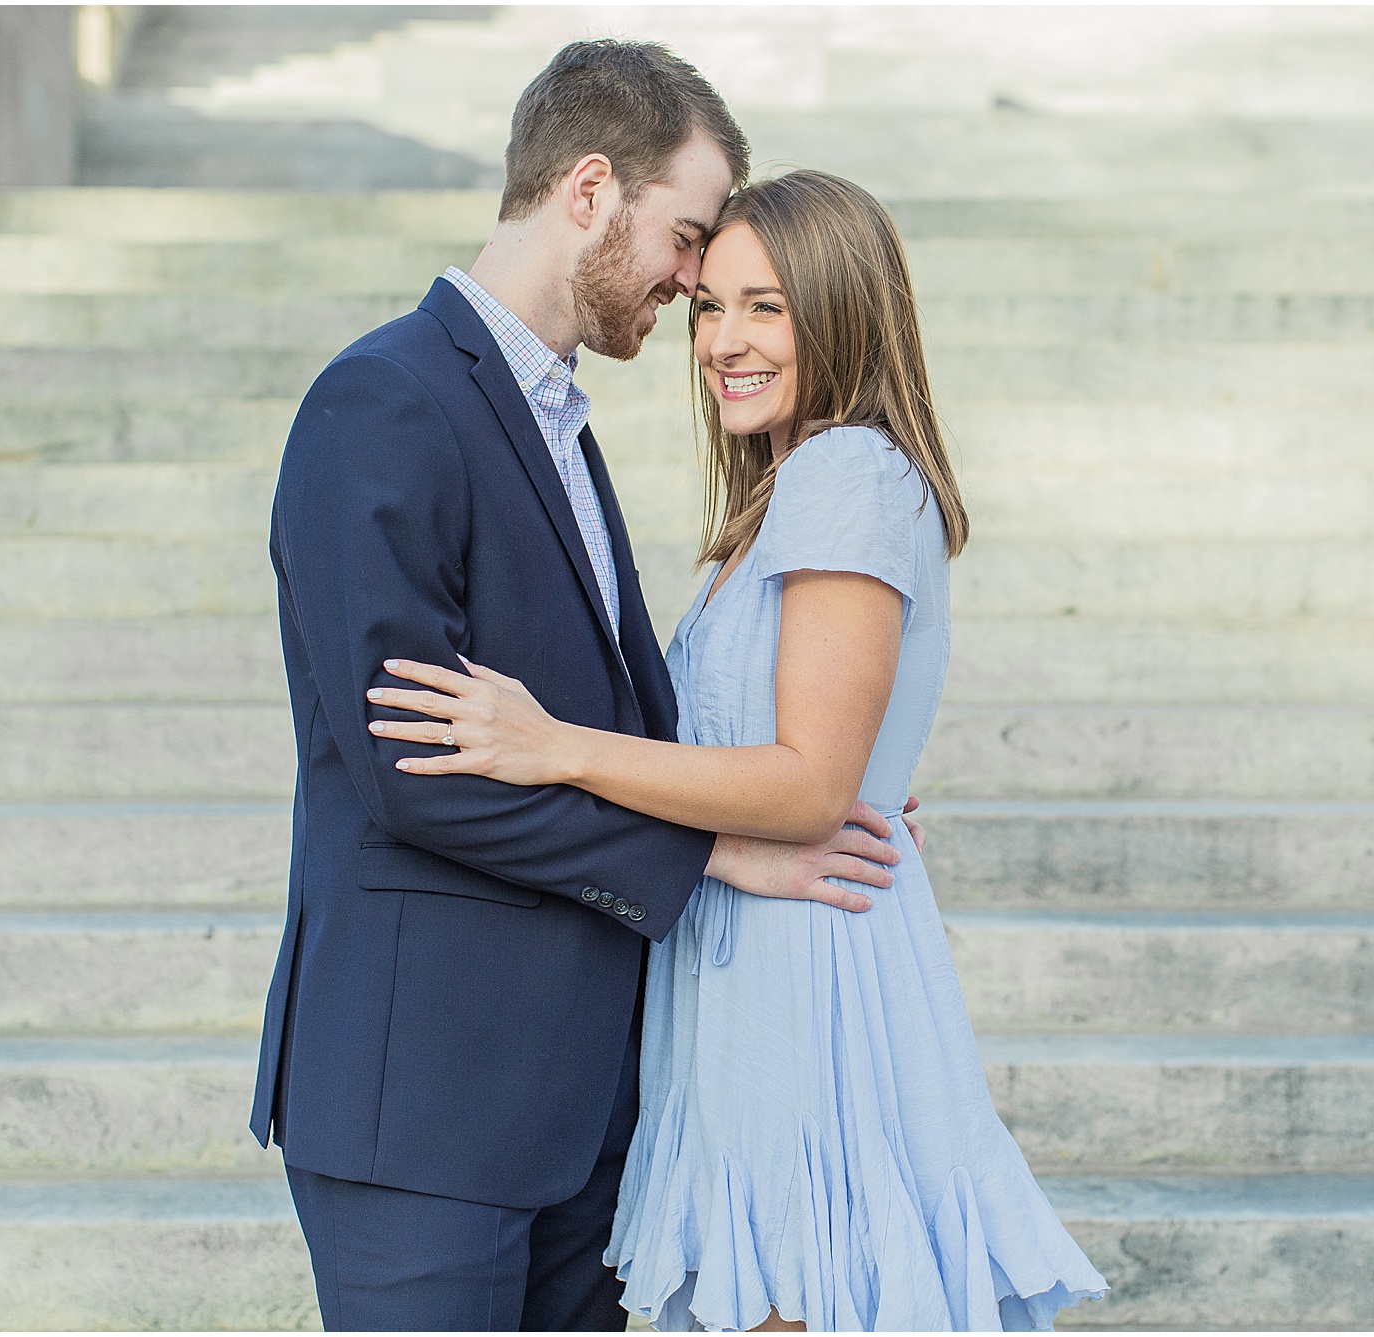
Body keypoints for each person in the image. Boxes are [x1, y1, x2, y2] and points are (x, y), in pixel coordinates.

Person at [252, 42, 919, 1331]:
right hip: (424, 1109)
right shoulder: (381, 401)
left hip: (586, 1113)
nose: (690, 281)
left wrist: (821, 769)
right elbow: (415, 769)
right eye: (682, 237)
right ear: (590, 189)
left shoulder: (559, 421)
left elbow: (617, 724)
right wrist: (713, 850)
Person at [370, 170, 1108, 1331]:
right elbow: (805, 761)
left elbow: (808, 783)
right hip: (751, 948)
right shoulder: (794, 488)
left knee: (786, 1299)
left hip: (799, 971)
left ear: (844, 314)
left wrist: (555, 746)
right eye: (708, 306)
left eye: (765, 307)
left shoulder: (842, 474)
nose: (722, 340)